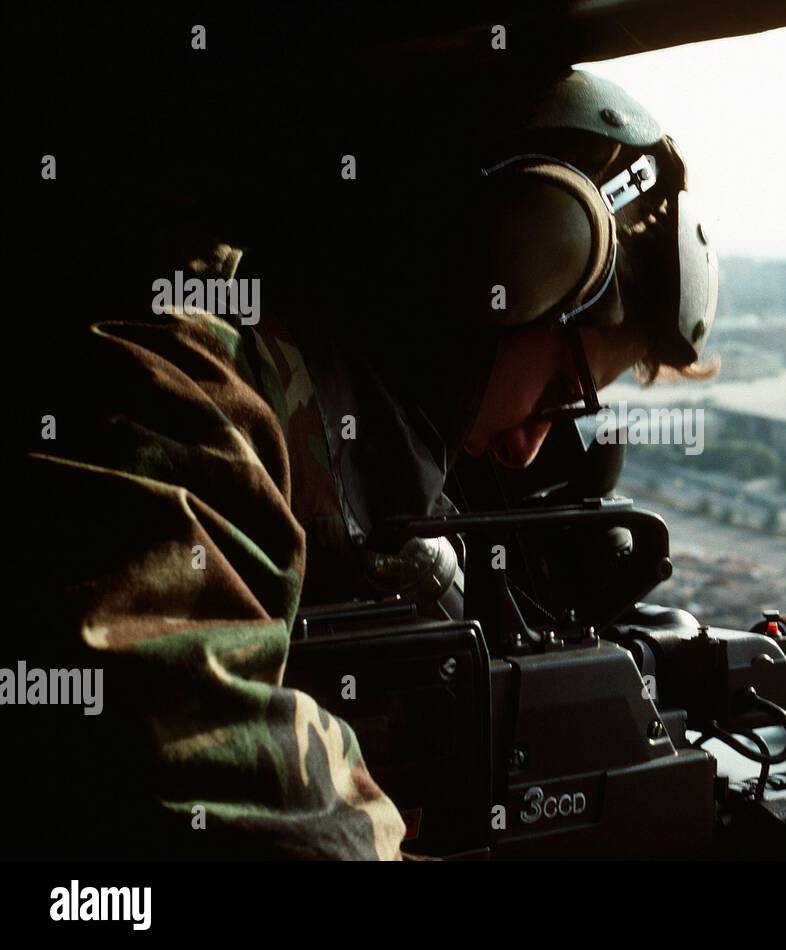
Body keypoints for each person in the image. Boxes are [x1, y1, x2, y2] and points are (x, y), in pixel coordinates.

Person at [14, 68, 717, 859]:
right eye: (559, 391)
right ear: (508, 264)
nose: (528, 447)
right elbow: (166, 741)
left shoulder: (354, 418)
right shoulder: (191, 390)